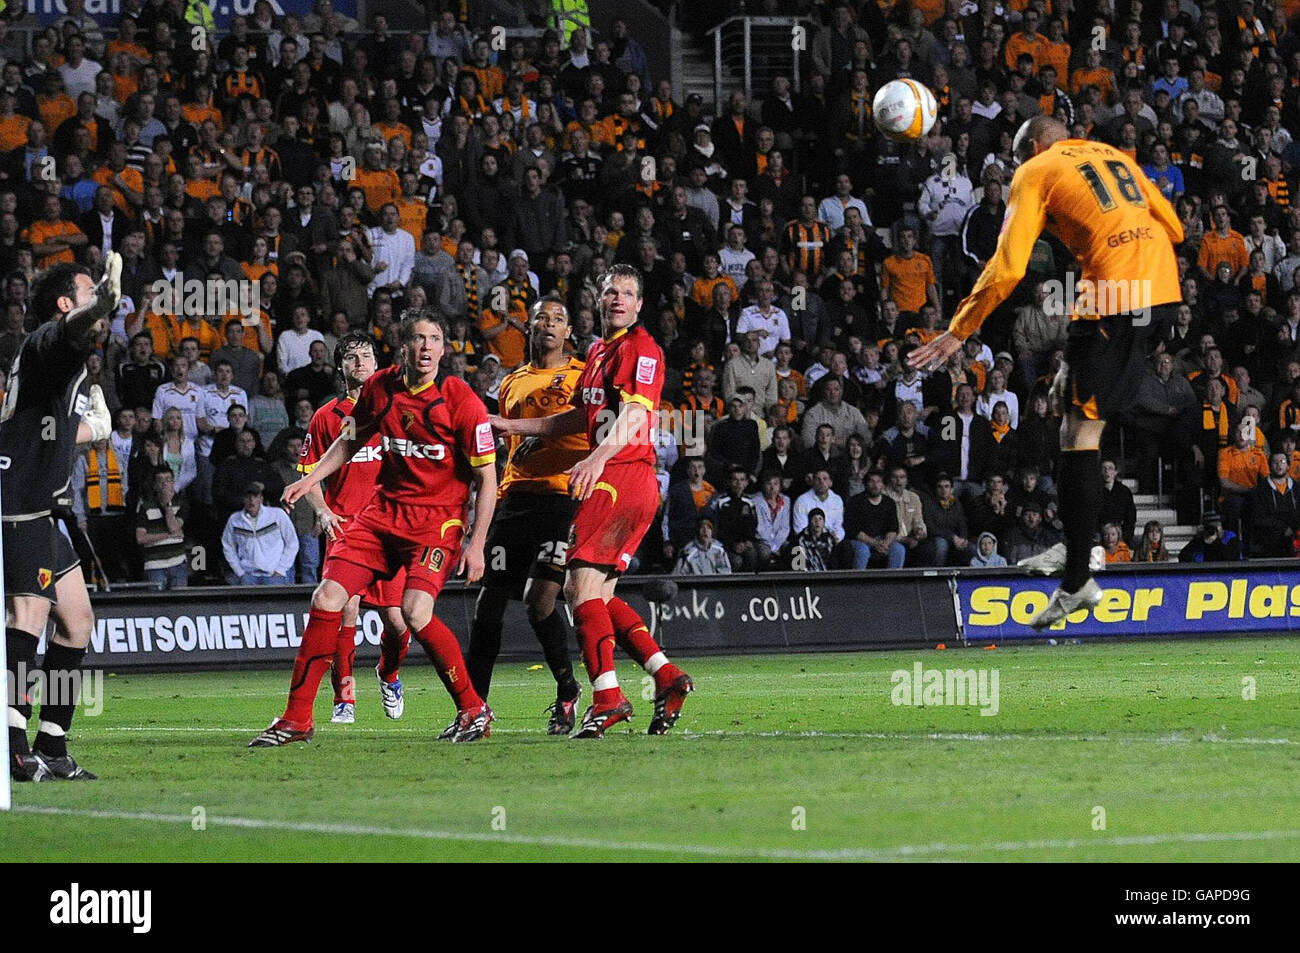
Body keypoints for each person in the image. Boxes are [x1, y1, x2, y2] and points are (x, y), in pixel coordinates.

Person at [909, 115, 1183, 629]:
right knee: (1069, 417)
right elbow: (1174, 225)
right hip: (1160, 293)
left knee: (1079, 434)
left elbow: (1008, 268)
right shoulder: (1113, 154)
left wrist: (958, 330)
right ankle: (1077, 558)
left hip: (1116, 298)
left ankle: (1079, 573)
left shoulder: (1034, 170)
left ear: (1033, 148)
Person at [256, 308, 498, 747]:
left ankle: (472, 709)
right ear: (401, 346)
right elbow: (350, 439)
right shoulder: (379, 388)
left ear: (444, 348)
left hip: (436, 523)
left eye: (434, 339)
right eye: (417, 339)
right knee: (327, 596)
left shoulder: (462, 400)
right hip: (382, 515)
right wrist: (309, 479)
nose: (426, 347)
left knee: (413, 612)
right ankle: (297, 720)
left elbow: (487, 478)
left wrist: (477, 543)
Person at [489, 264, 694, 738]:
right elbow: (582, 416)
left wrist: (598, 459)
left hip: (620, 476)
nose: (619, 299)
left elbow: (637, 412)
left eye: (628, 293)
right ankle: (666, 677)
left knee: (577, 589)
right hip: (624, 480)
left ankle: (607, 698)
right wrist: (514, 427)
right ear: (598, 300)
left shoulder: (641, 348)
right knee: (599, 596)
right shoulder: (601, 351)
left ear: (639, 305)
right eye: (611, 292)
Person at [3, 253, 121, 781]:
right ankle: (8, 746)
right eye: (87, 293)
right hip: (18, 502)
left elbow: (46, 432)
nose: (99, 303)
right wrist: (103, 302)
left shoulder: (59, 363)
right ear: (66, 304)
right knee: (26, 617)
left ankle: (51, 743)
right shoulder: (51, 342)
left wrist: (92, 429)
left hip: (41, 504)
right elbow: (71, 331)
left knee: (77, 623)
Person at [460, 296, 589, 735]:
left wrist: (529, 430)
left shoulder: (583, 375)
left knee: (540, 603)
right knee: (488, 604)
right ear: (529, 328)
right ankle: (474, 709)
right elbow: (499, 444)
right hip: (515, 497)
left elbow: (587, 422)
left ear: (568, 332)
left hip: (563, 497)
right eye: (541, 319)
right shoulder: (511, 381)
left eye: (558, 319)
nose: (549, 325)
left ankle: (568, 690)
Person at [294, 332, 408, 725]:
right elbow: (308, 474)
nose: (360, 362)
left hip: (392, 527)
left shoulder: (395, 409)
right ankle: (345, 698)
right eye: (351, 357)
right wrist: (324, 512)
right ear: (340, 366)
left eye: (366, 355)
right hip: (346, 526)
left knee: (398, 620)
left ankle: (388, 673)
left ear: (377, 362)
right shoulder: (327, 417)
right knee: (346, 611)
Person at [221, 481, 299, 585]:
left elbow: (292, 543)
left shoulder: (277, 515)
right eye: (247, 497)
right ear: (243, 499)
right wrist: (239, 572)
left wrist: (280, 569)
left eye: (254, 496)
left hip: (274, 575)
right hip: (248, 575)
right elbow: (228, 546)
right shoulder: (235, 520)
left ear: (261, 499)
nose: (251, 500)